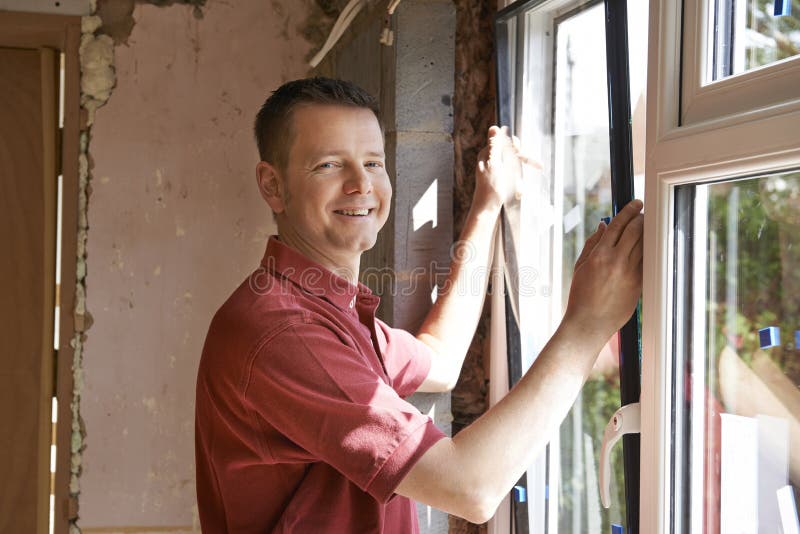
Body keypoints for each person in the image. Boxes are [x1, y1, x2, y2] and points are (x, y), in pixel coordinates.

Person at [195, 77, 643, 533]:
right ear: (273, 185)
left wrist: (487, 207)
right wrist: (588, 325)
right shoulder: (284, 333)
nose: (360, 184)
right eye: (329, 165)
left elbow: (441, 358)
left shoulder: (326, 310)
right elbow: (470, 487)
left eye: (373, 162)